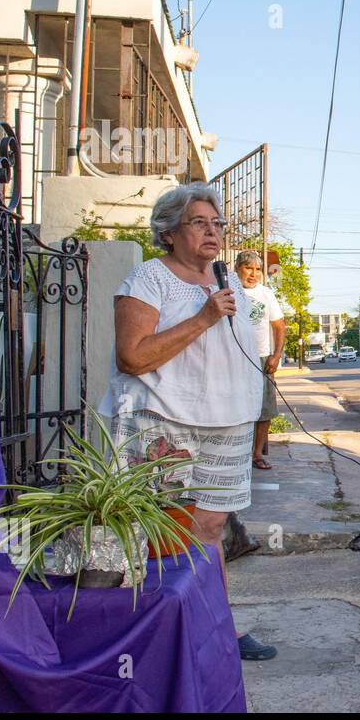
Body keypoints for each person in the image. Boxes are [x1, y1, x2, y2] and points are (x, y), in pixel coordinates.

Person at [99, 182, 277, 661]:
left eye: (217, 223)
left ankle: (217, 627)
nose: (213, 231)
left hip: (228, 422)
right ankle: (161, 633)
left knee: (212, 528)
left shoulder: (230, 280)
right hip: (163, 420)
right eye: (199, 222)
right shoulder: (148, 279)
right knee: (163, 529)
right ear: (170, 231)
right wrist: (201, 318)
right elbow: (132, 357)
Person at [235, 251, 285, 472]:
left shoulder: (266, 294)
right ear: (238, 269)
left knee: (264, 409)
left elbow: (279, 325)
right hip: (235, 357)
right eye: (248, 268)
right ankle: (236, 453)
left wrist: (276, 355)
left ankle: (256, 454)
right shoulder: (229, 290)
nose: (253, 274)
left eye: (257, 270)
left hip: (262, 356)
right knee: (235, 407)